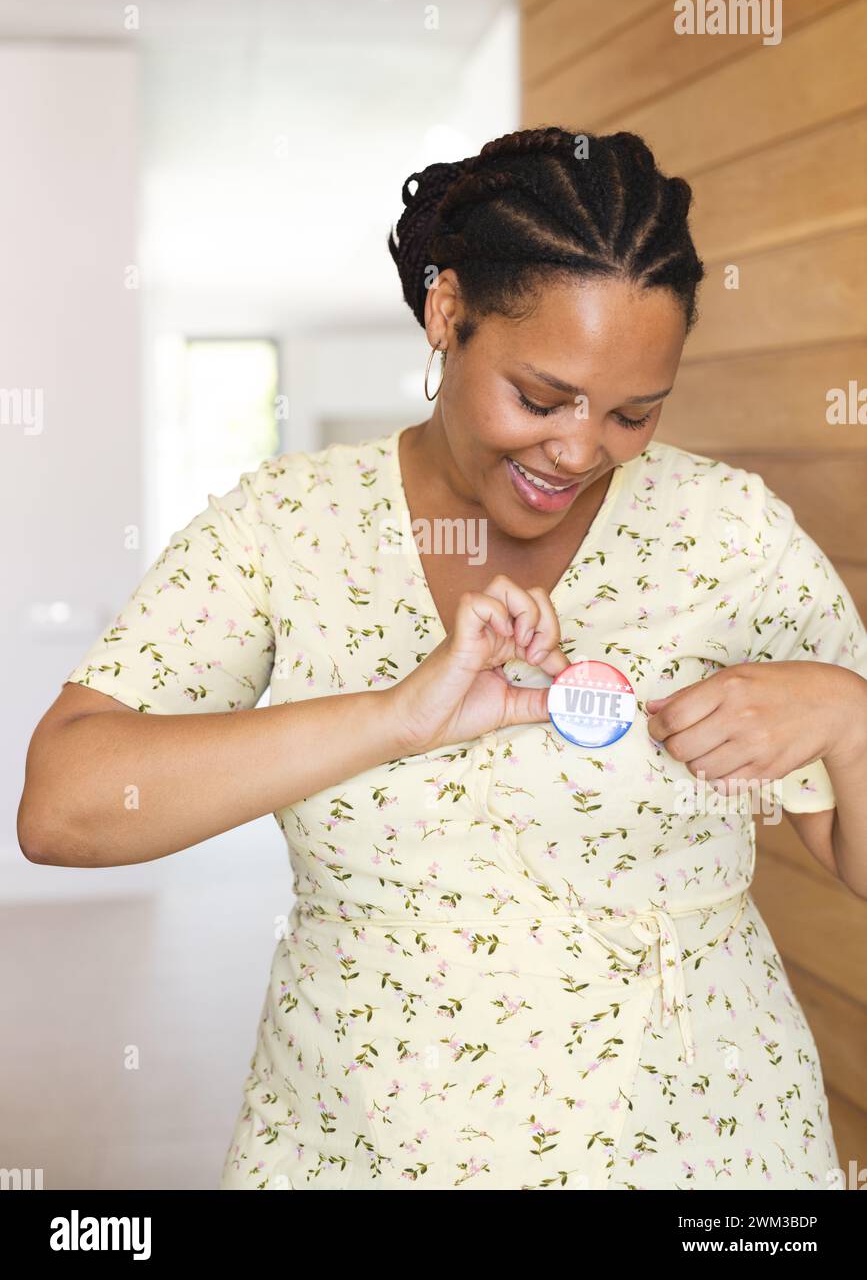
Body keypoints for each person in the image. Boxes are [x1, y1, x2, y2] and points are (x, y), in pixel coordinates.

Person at [18, 126, 867, 1192]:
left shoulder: (728, 534)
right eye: (541, 395)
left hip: (708, 1155)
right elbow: (62, 806)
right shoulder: (287, 526)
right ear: (447, 313)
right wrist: (393, 718)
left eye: (634, 413)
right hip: (360, 1149)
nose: (579, 449)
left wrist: (850, 716)